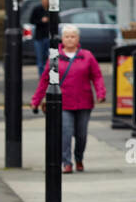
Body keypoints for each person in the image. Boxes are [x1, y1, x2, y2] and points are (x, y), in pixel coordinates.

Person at [31, 24, 106, 173]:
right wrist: (36, 101)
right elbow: (45, 80)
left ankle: (79, 158)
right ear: (62, 39)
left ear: (78, 39)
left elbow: (96, 76)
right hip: (63, 103)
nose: (70, 39)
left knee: (81, 135)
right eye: (67, 36)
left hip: (84, 102)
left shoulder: (87, 56)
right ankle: (66, 162)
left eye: (73, 36)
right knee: (65, 133)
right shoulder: (55, 57)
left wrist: (100, 93)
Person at [27, 0, 51, 76]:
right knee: (40, 59)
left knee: (50, 58)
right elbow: (31, 20)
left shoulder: (52, 9)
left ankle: (49, 75)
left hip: (49, 37)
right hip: (39, 37)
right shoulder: (37, 9)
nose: (45, 3)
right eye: (43, 1)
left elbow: (58, 21)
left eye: (46, 1)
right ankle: (42, 76)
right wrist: (41, 21)